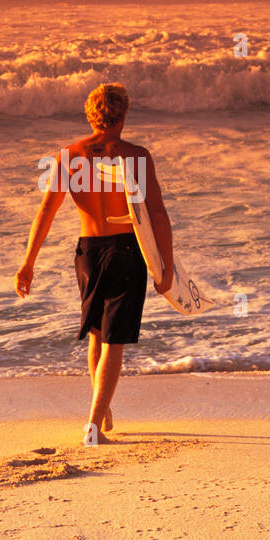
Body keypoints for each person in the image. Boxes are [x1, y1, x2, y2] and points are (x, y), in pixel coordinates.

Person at [14, 83, 174, 445]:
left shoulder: (69, 156)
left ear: (90, 115)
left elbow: (46, 211)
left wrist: (28, 263)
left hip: (87, 252)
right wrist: (167, 268)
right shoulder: (136, 156)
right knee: (114, 341)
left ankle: (101, 410)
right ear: (124, 114)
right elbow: (158, 214)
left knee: (96, 336)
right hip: (126, 250)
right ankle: (93, 424)